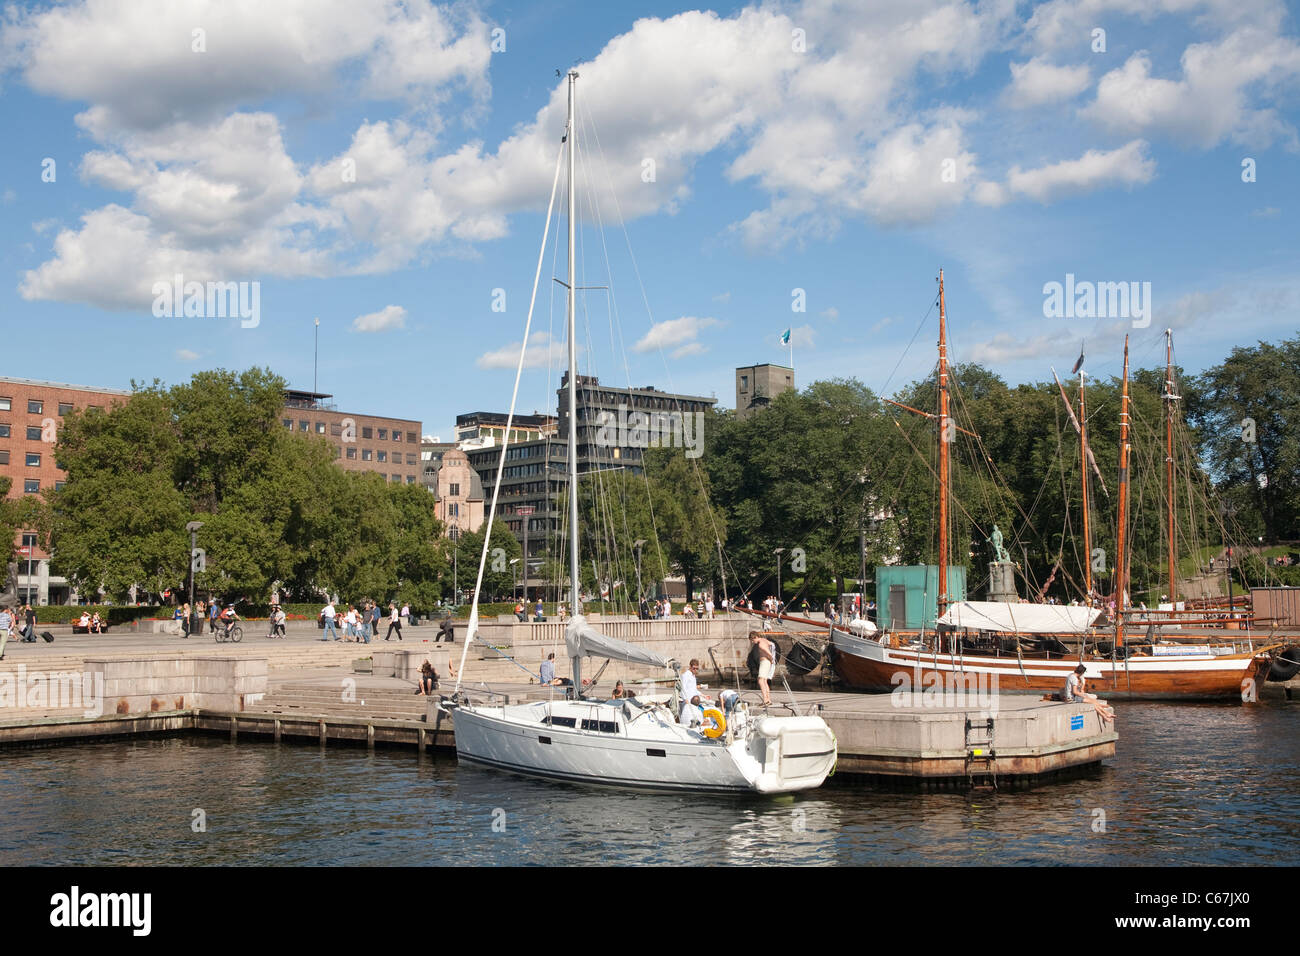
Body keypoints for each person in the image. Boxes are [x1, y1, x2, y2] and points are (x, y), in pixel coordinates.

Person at [679, 659, 709, 725]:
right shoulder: (685, 675)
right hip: (688, 701)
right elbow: (682, 688)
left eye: (697, 669)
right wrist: (685, 699)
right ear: (690, 666)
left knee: (697, 714)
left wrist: (703, 695)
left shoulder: (693, 676)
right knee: (688, 717)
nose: (695, 670)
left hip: (694, 701)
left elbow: (693, 689)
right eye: (694, 668)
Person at [751, 633, 776, 706]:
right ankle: (768, 700)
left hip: (764, 662)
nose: (753, 642)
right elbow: (772, 644)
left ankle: (765, 700)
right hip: (766, 662)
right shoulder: (764, 640)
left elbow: (768, 653)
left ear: (755, 637)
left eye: (752, 640)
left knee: (760, 680)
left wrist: (771, 660)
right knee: (764, 681)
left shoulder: (760, 644)